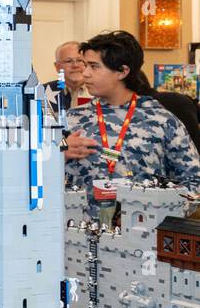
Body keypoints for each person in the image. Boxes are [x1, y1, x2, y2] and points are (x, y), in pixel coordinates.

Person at [64, 30, 200, 195]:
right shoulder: (72, 119)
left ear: (122, 71)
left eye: (94, 66)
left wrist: (161, 210)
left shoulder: (161, 120)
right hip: (82, 220)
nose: (85, 73)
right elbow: (35, 175)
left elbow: (194, 182)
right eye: (86, 66)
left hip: (144, 218)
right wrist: (60, 152)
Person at [43, 40, 90, 114]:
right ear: (57, 66)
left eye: (80, 60)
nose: (75, 65)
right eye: (69, 61)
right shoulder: (43, 92)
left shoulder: (100, 92)